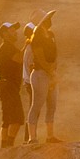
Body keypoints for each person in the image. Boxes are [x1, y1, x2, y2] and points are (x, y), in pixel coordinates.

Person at [25, 9, 61, 143]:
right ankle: (32, 138)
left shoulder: (50, 34)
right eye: (47, 19)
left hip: (49, 73)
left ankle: (50, 136)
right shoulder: (37, 37)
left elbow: (55, 54)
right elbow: (39, 58)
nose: (50, 20)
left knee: (52, 104)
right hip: (41, 74)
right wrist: (51, 72)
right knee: (37, 105)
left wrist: (53, 70)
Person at [0, 22, 26, 148]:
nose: (15, 33)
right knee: (17, 118)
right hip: (8, 85)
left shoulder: (8, 47)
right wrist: (28, 44)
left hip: (4, 85)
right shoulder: (6, 47)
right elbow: (20, 58)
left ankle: (4, 147)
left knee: (7, 119)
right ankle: (9, 146)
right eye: (12, 30)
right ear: (5, 34)